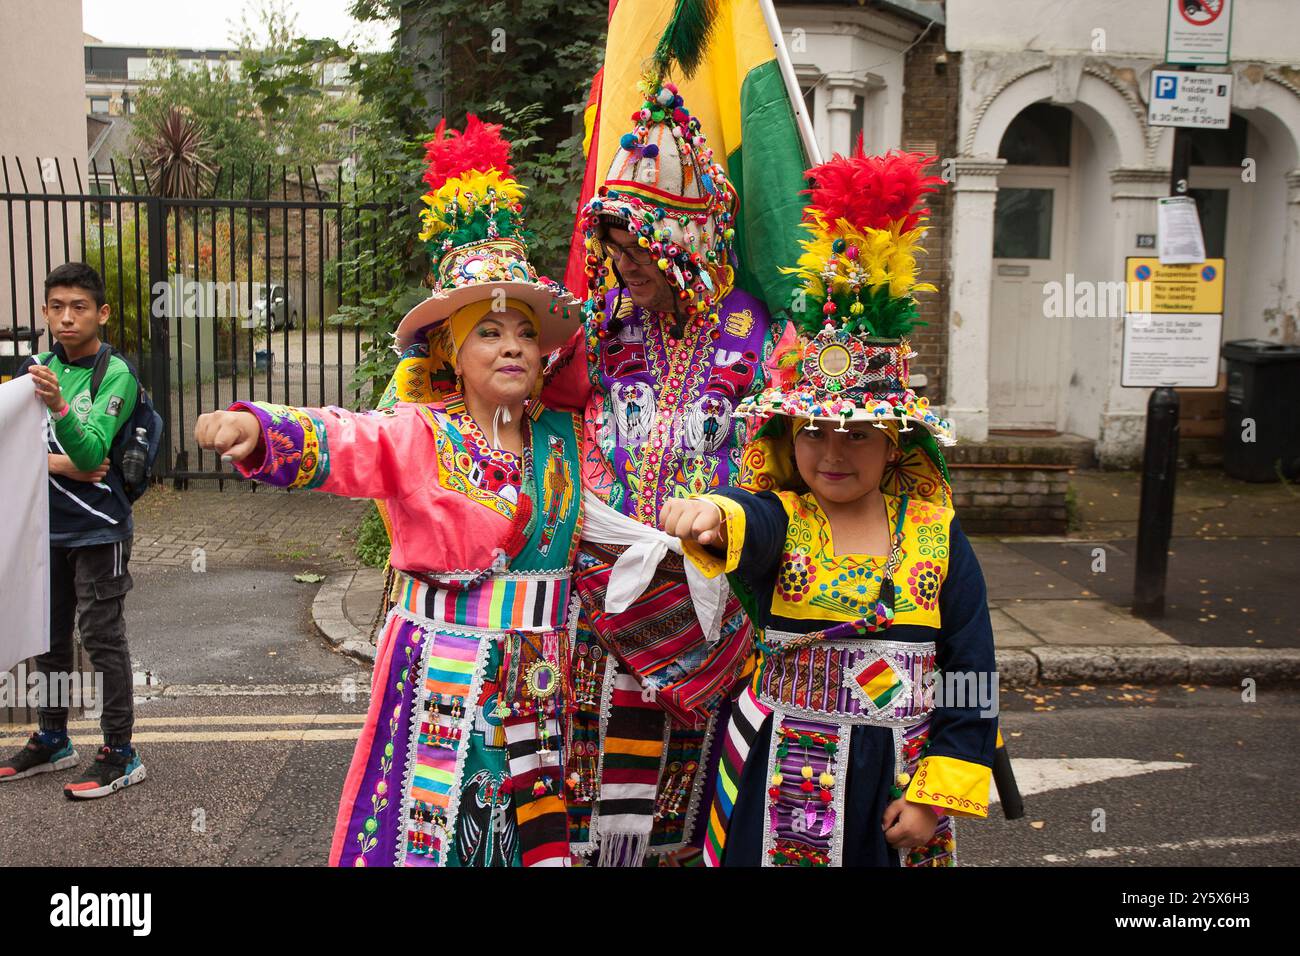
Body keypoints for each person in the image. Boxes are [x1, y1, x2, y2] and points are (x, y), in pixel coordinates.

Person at [195, 117, 584, 867]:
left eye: (523, 333)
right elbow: (350, 440)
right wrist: (263, 431)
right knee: (431, 837)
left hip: (540, 684)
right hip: (441, 673)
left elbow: (609, 535)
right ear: (450, 353)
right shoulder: (420, 434)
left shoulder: (565, 446)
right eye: (487, 332)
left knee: (529, 839)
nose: (510, 346)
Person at [661, 146, 999, 866]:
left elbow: (970, 667)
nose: (832, 452)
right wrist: (711, 514)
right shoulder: (784, 517)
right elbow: (742, 520)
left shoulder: (938, 536)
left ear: (895, 443)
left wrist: (938, 795)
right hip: (779, 771)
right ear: (788, 438)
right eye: (813, 431)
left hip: (897, 785)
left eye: (856, 433)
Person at [540, 76, 781, 865]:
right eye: (615, 242)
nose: (627, 259)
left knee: (684, 798)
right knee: (591, 794)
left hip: (704, 604)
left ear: (696, 243)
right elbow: (555, 430)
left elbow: (776, 465)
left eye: (644, 242)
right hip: (602, 599)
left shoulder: (756, 335)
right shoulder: (597, 327)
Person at [0, 262, 145, 799]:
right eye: (56, 307)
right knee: (50, 640)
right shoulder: (31, 368)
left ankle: (120, 751)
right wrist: (61, 466)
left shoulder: (116, 375)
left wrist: (60, 406)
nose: (66, 317)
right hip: (41, 526)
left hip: (99, 528)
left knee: (103, 639)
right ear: (44, 312)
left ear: (101, 314)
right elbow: (21, 454)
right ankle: (52, 738)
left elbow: (92, 452)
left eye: (79, 307)